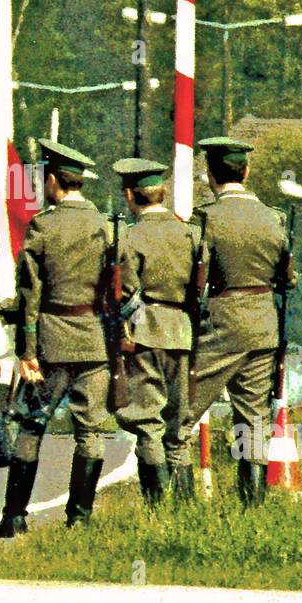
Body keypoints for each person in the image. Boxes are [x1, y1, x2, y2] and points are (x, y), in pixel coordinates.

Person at [0, 138, 113, 537]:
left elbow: (29, 293)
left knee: (32, 425)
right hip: (95, 343)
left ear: (56, 180)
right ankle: (80, 518)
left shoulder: (44, 226)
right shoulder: (108, 227)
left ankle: (15, 516)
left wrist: (27, 351)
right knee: (90, 432)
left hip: (51, 343)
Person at [179, 136, 296, 505]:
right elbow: (288, 279)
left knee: (180, 418)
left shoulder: (207, 218)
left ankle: (176, 512)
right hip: (264, 323)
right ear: (246, 171)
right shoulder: (273, 217)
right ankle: (252, 510)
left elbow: (194, 277)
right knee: (254, 423)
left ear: (210, 174)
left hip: (220, 324)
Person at [111, 157, 200, 504]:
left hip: (144, 331)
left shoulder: (131, 237)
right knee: (178, 426)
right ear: (162, 193)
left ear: (131, 195)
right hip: (182, 332)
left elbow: (125, 289)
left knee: (148, 421)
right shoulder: (189, 233)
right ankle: (184, 508)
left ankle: (158, 507)